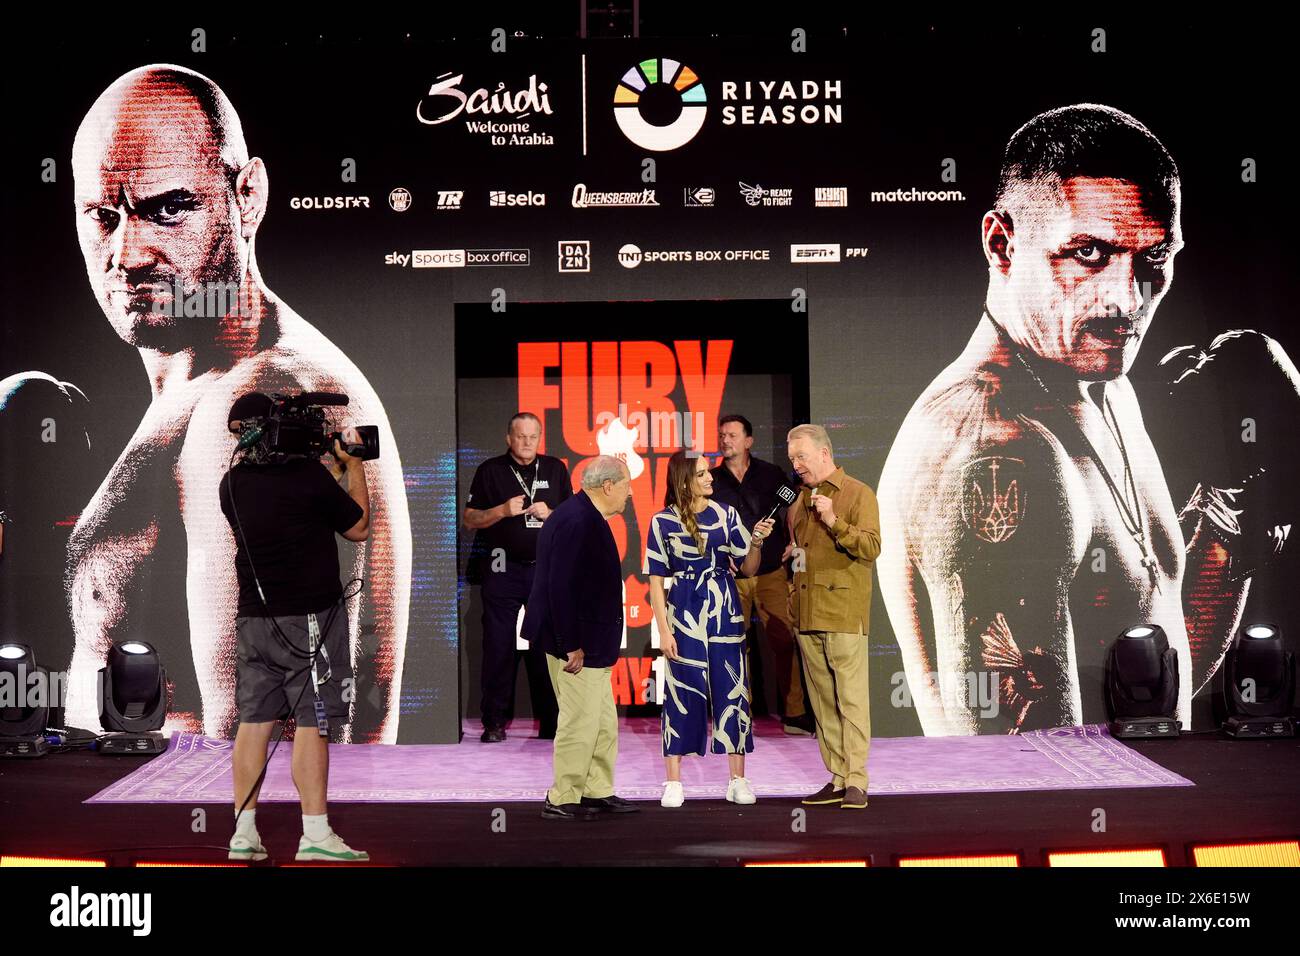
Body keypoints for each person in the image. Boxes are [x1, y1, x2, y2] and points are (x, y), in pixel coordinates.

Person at [877, 104, 1298, 736]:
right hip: (1089, 832)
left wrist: (1234, 535)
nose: (1126, 301)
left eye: (1154, 258)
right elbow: (1027, 778)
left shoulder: (1105, 382)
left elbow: (1154, 667)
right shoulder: (1003, 449)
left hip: (1140, 820)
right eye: (1090, 253)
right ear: (1001, 244)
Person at [65, 64, 411, 741]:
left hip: (205, 843)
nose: (128, 253)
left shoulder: (265, 402)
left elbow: (287, 749)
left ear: (247, 195)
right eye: (104, 216)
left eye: (168, 209)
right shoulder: (201, 387)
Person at [218, 393, 370, 862]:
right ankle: (316, 835)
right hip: (307, 622)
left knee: (254, 722)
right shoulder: (307, 477)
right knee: (312, 722)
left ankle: (243, 834)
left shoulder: (232, 483)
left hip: (253, 622)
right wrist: (355, 466)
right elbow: (358, 526)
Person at [647, 451, 774, 807]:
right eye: (702, 473)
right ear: (685, 480)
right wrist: (665, 631)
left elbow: (748, 568)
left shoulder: (726, 515)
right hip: (684, 611)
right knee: (681, 692)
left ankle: (738, 779)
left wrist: (758, 541)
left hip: (725, 612)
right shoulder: (663, 522)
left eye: (708, 472)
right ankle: (674, 782)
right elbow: (656, 582)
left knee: (732, 690)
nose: (710, 478)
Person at [522, 455, 637, 821]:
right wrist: (569, 641)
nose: (629, 493)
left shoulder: (583, 515)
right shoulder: (576, 520)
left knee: (602, 721)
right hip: (577, 646)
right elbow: (560, 586)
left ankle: (596, 790)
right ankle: (562, 796)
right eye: (625, 485)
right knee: (580, 722)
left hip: (591, 644)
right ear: (607, 486)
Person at [785, 424, 880, 810]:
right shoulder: (798, 502)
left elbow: (872, 547)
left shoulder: (858, 493)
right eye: (793, 459)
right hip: (807, 614)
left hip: (843, 612)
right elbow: (802, 554)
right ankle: (838, 777)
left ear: (824, 453)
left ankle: (857, 779)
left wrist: (834, 521)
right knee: (823, 703)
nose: (796, 466)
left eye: (801, 457)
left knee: (850, 701)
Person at [462, 413, 568, 742]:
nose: (526, 442)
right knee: (498, 645)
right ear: (508, 438)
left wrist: (550, 514)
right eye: (520, 436)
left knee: (547, 648)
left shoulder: (555, 468)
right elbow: (470, 519)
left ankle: (551, 724)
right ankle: (494, 722)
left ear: (540, 438)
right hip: (501, 567)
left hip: (543, 569)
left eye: (532, 436)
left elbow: (572, 519)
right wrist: (502, 511)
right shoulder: (490, 471)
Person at [709, 413, 813, 735]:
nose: (726, 441)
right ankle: (741, 714)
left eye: (732, 436)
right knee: (735, 645)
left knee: (784, 640)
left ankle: (794, 713)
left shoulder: (769, 474)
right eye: (722, 436)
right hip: (731, 575)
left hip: (770, 571)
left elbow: (795, 501)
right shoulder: (711, 481)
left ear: (748, 441)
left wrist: (793, 539)